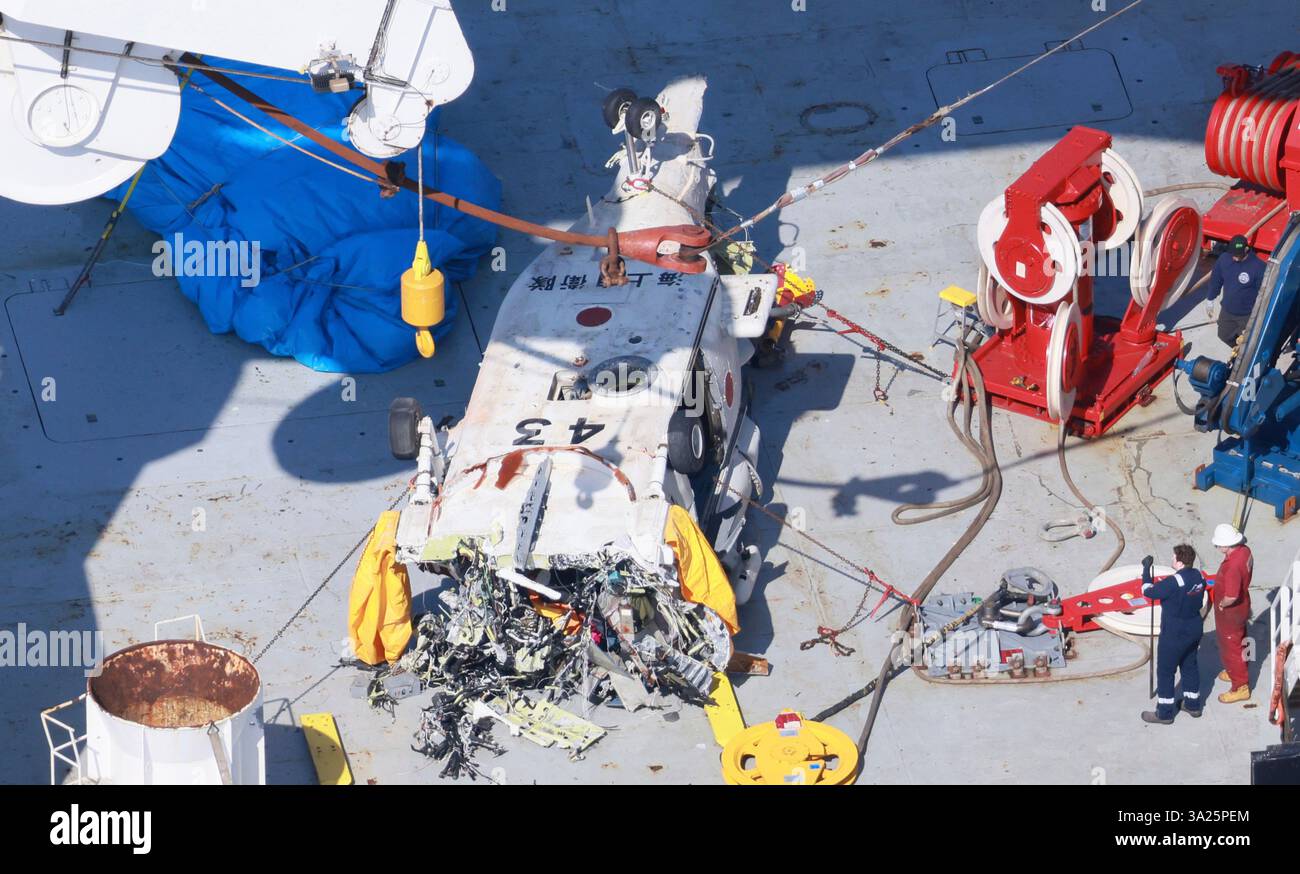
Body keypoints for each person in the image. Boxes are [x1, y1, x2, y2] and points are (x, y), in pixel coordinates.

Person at [1140, 544, 1208, 724]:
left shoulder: (1174, 582)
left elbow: (1148, 592)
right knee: (1189, 665)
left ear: (1178, 561)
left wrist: (1146, 570)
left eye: (1173, 557)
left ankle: (1164, 713)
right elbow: (1200, 601)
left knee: (1166, 671)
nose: (1171, 559)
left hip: (1174, 633)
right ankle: (1193, 705)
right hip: (1194, 628)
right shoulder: (1198, 576)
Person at [1211, 523, 1253, 704]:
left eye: (1218, 545)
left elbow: (1231, 595)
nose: (1217, 548)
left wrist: (1221, 604)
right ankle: (1241, 668)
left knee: (1231, 648)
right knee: (1242, 638)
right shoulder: (1245, 551)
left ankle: (1240, 686)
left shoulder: (1232, 567)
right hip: (1243, 605)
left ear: (1227, 545)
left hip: (1231, 612)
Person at [1205, 235, 1265, 349]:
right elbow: (1216, 279)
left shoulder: (1259, 267)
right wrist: (1210, 298)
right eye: (1232, 253)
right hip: (1228, 311)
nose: (1234, 257)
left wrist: (1259, 314)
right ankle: (1236, 349)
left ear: (1246, 250)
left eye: (1237, 254)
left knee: (1249, 344)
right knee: (1223, 335)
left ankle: (1243, 355)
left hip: (1247, 315)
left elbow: (1263, 294)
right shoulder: (1224, 259)